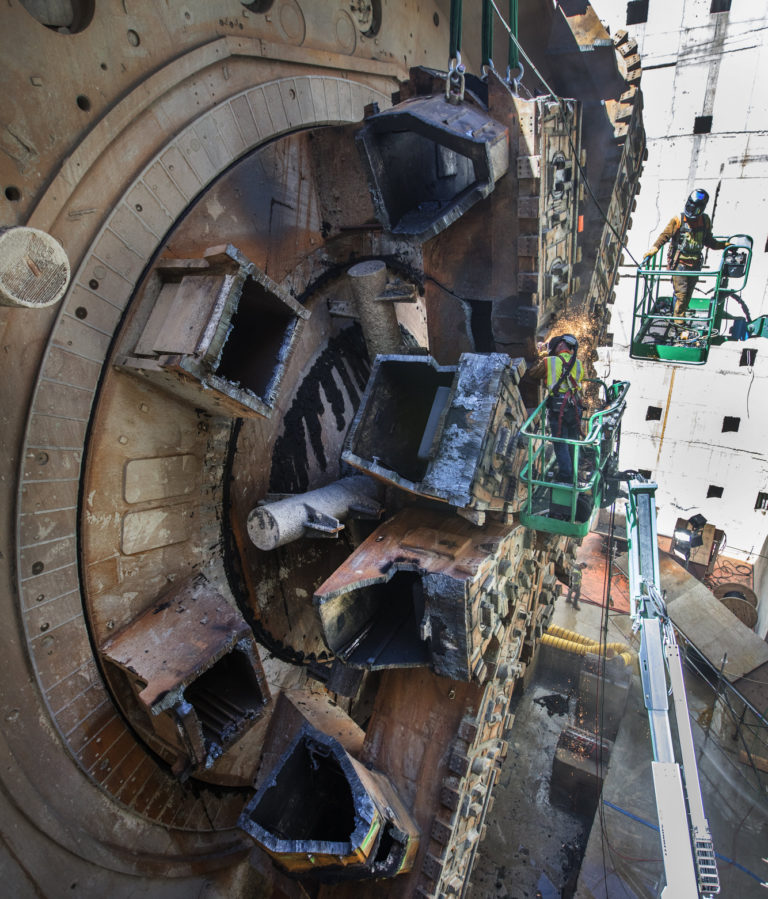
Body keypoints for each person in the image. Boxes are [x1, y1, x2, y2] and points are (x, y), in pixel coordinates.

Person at [642, 188, 727, 321]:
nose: (691, 211)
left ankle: (678, 316)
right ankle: (679, 324)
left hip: (695, 264)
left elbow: (708, 240)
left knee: (688, 295)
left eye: (695, 209)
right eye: (690, 207)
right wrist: (655, 248)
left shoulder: (705, 221)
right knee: (681, 295)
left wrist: (723, 245)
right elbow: (664, 236)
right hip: (680, 264)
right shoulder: (678, 220)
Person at [527, 334, 584, 482]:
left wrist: (543, 355)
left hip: (559, 410)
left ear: (560, 345)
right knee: (573, 441)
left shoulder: (550, 361)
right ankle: (575, 473)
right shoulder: (578, 363)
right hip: (575, 408)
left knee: (560, 443)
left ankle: (566, 476)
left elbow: (533, 373)